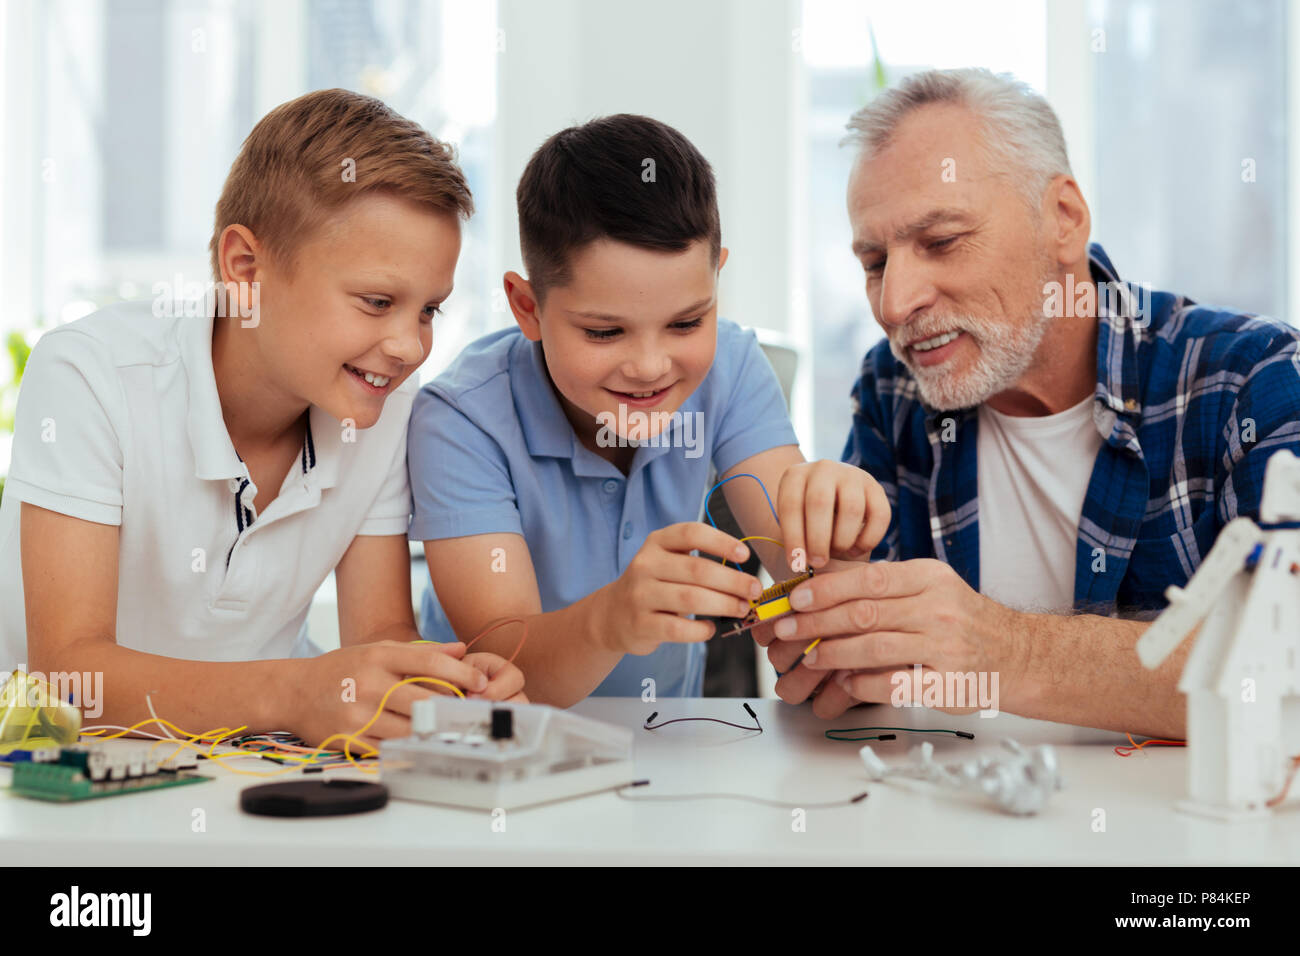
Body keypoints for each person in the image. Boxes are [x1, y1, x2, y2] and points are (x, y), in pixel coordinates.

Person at [762, 68, 1300, 738]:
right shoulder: (894, 388)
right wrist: (838, 626)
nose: (895, 304)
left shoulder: (1252, 377)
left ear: (1063, 220)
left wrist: (1006, 651)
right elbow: (870, 696)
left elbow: (1289, 675)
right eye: (875, 262)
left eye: (942, 242)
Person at [0, 89, 524, 749]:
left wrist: (442, 682)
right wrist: (294, 694)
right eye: (377, 301)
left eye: (428, 311)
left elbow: (379, 633)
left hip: (256, 772)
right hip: (64, 777)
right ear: (245, 269)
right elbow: (70, 677)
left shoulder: (381, 410)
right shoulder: (90, 375)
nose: (410, 346)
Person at [410, 114, 887, 706]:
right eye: (606, 332)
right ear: (526, 306)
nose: (650, 366)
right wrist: (608, 620)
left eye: (687, 322)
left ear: (717, 280)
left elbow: (800, 573)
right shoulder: (460, 420)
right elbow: (505, 672)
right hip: (499, 764)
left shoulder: (732, 366)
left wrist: (835, 535)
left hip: (668, 751)